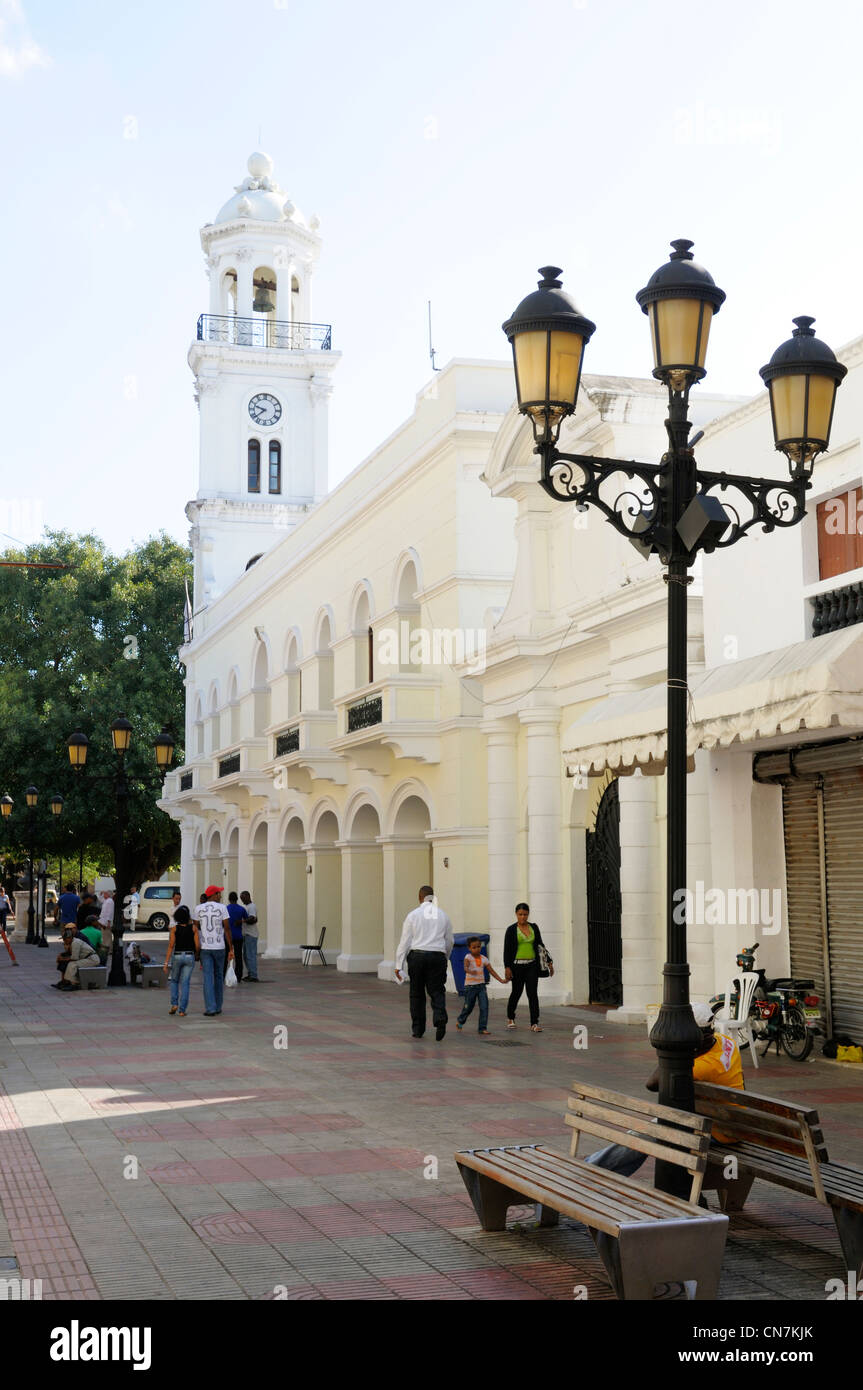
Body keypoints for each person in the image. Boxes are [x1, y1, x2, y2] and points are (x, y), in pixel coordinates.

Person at [583, 1002, 744, 1298]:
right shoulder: (727, 1043)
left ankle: (590, 1170)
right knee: (650, 1130)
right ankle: (593, 1168)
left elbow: (652, 1082)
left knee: (649, 1134)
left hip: (716, 1133)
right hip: (721, 1124)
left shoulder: (702, 1066)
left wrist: (674, 1051)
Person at [394, 886, 454, 1041]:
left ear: (419, 897)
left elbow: (405, 942)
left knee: (417, 993)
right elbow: (449, 941)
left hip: (417, 957)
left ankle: (418, 1029)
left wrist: (398, 965)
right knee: (437, 991)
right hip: (437, 956)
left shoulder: (413, 915)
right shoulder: (443, 915)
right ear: (433, 898)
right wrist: (444, 957)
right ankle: (440, 1017)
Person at [503, 903, 554, 1033]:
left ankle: (534, 1023)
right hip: (517, 966)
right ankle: (510, 1018)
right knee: (517, 992)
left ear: (528, 914)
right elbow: (507, 950)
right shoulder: (511, 930)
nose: (523, 917)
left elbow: (540, 945)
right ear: (516, 914)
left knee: (532, 994)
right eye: (520, 914)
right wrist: (507, 967)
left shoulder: (534, 927)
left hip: (532, 965)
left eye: (525, 914)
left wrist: (549, 962)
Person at [191, 886, 234, 1017]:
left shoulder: (198, 908)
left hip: (205, 948)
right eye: (219, 893)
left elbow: (195, 928)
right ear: (214, 895)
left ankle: (210, 1008)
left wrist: (197, 947)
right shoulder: (222, 908)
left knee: (208, 978)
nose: (220, 895)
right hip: (220, 947)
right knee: (219, 977)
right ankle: (218, 1006)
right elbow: (227, 928)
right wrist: (231, 948)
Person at [456, 936, 505, 1034]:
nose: (477, 949)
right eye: (474, 947)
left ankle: (482, 1028)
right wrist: (470, 971)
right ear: (469, 948)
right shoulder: (468, 957)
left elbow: (491, 970)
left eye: (478, 946)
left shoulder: (484, 959)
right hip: (470, 987)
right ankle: (461, 1020)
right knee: (469, 1007)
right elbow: (465, 967)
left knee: (484, 1007)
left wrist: (501, 980)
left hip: (481, 986)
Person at [163, 904, 200, 1016]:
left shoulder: (174, 929)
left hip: (177, 956)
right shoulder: (194, 928)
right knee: (185, 983)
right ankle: (182, 1010)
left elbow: (171, 946)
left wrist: (166, 963)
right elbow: (197, 945)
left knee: (174, 981)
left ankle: (174, 1004)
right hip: (189, 956)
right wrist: (197, 954)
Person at [225, 892, 247, 981]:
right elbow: (246, 919)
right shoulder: (241, 909)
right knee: (238, 957)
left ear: (229, 899)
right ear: (237, 899)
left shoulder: (226, 909)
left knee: (225, 956)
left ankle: (222, 974)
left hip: (227, 936)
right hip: (238, 935)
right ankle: (238, 975)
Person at [239, 890, 260, 981]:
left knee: (250, 955)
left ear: (248, 897)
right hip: (246, 934)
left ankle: (253, 975)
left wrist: (242, 921)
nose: (242, 900)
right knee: (246, 955)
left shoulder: (252, 907)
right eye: (241, 898)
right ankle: (250, 973)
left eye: (243, 898)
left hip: (251, 934)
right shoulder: (247, 907)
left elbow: (253, 919)